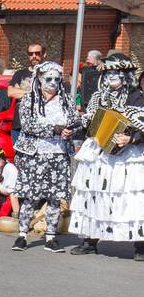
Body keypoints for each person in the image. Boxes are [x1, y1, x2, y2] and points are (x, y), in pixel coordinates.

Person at [68, 52, 144, 260]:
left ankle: (141, 245)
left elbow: (142, 125)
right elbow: (89, 122)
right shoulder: (97, 97)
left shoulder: (137, 96)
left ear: (126, 74)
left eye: (117, 72)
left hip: (128, 158)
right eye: (108, 72)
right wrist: (74, 127)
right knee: (95, 194)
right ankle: (90, 241)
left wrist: (131, 139)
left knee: (130, 197)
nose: (112, 76)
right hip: (99, 153)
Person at [10, 61, 81, 252]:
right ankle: (22, 235)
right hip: (35, 154)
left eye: (57, 79)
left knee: (55, 198)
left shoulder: (66, 100)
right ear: (40, 79)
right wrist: (55, 129)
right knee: (30, 196)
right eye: (48, 79)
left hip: (59, 154)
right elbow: (27, 125)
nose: (53, 82)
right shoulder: (29, 100)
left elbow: (77, 122)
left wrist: (69, 131)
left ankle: (51, 237)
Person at [6, 41, 47, 146]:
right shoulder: (20, 74)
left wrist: (20, 92)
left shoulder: (50, 74)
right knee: (19, 159)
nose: (34, 56)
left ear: (44, 54)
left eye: (37, 53)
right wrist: (36, 92)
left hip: (40, 125)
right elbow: (10, 92)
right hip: (19, 125)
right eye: (30, 54)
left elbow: (48, 95)